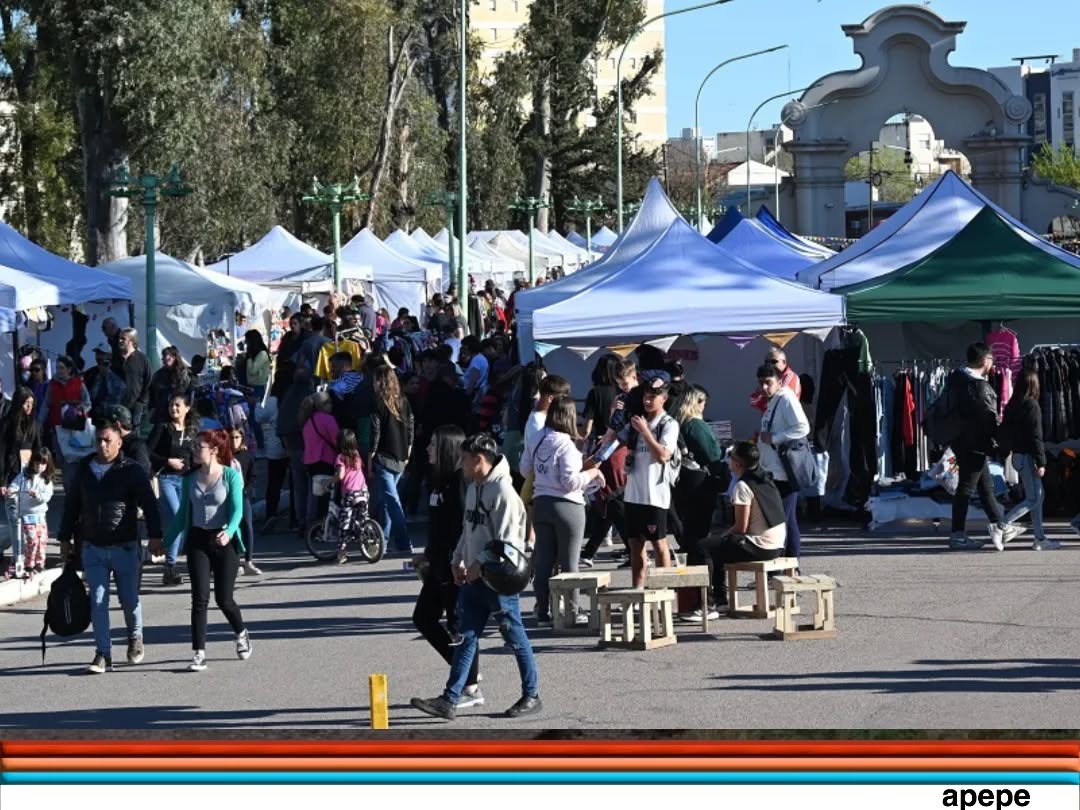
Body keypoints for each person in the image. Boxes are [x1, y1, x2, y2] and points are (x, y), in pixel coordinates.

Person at [410, 433, 541, 721]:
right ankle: (450, 699)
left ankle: (531, 694)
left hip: (501, 578)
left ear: (478, 460)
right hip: (475, 578)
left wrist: (479, 564)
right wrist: (458, 559)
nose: (462, 464)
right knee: (466, 636)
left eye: (465, 459)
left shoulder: (503, 493)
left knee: (514, 636)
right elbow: (468, 531)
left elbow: (506, 542)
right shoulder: (474, 487)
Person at [57, 421, 163, 674]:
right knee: (98, 600)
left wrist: (156, 536)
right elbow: (72, 504)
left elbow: (149, 504)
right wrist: (64, 539)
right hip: (92, 546)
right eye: (98, 440)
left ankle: (135, 637)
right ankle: (102, 653)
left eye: (107, 440)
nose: (102, 445)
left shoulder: (132, 470)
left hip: (124, 546)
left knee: (129, 600)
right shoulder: (85, 468)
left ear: (119, 443)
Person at [166, 429, 251, 672]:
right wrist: (165, 539)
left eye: (199, 447)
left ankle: (241, 633)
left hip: (224, 539)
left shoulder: (230, 476)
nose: (194, 451)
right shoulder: (189, 479)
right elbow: (182, 513)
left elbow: (237, 511)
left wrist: (231, 531)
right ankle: (199, 653)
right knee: (199, 598)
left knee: (224, 599)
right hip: (197, 539)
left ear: (213, 450)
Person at [411, 426, 484, 707]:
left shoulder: (460, 482)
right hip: (439, 563)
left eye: (433, 445)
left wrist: (461, 560)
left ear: (446, 449)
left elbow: (462, 527)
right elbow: (437, 526)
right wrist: (426, 554)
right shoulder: (439, 481)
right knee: (424, 617)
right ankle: (463, 671)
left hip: (456, 564)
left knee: (460, 623)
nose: (428, 450)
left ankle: (471, 687)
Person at [520, 395, 603, 626]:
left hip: (541, 503)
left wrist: (544, 476)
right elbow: (570, 482)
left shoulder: (537, 438)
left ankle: (542, 612)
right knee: (569, 563)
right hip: (568, 506)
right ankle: (572, 611)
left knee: (544, 560)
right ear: (569, 416)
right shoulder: (566, 443)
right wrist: (592, 473)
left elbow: (525, 469)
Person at [698, 441, 786, 605]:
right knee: (718, 544)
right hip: (778, 545)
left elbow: (740, 527)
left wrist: (722, 535)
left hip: (761, 547)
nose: (728, 460)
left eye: (730, 457)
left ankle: (712, 601)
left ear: (737, 464)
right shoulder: (764, 477)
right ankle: (719, 598)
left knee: (705, 546)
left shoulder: (742, 486)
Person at [673, 384, 726, 620]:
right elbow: (713, 456)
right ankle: (710, 600)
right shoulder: (696, 425)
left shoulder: (676, 424)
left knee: (692, 542)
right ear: (697, 402)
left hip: (683, 487)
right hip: (700, 487)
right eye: (703, 402)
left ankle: (701, 598)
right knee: (701, 544)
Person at [947, 343, 1007, 551]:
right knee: (966, 488)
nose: (992, 364)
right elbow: (988, 418)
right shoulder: (979, 385)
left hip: (961, 441)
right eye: (991, 359)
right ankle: (957, 535)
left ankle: (1001, 525)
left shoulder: (956, 379)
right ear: (984, 360)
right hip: (975, 444)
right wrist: (996, 440)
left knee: (986, 487)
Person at [621, 376, 679, 588]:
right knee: (635, 544)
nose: (647, 401)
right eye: (645, 396)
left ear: (663, 398)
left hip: (655, 495)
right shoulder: (636, 421)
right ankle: (637, 589)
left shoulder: (668, 424)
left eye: (652, 397)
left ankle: (663, 590)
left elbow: (663, 455)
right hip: (633, 492)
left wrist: (645, 432)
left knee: (659, 543)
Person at [756, 363, 810, 561]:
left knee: (780, 522)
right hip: (774, 470)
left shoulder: (786, 399)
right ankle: (790, 566)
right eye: (760, 383)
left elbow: (803, 428)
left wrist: (776, 437)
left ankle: (779, 568)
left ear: (779, 382)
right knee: (788, 520)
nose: (763, 388)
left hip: (784, 471)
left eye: (768, 383)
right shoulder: (774, 399)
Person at [999, 369, 1056, 550]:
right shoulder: (1031, 405)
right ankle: (1001, 525)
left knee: (1037, 497)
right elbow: (1035, 436)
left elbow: (1004, 432)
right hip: (1028, 456)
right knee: (1033, 498)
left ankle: (1039, 538)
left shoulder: (1012, 405)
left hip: (1017, 456)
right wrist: (1041, 462)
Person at [148, 394, 197, 586]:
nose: (174, 409)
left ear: (187, 408)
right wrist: (167, 461)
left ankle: (171, 566)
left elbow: (195, 457)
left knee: (181, 522)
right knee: (178, 516)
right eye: (171, 405)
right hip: (167, 478)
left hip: (187, 480)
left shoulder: (192, 430)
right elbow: (148, 451)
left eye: (178, 405)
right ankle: (168, 563)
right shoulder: (162, 428)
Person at [370, 364, 415, 555]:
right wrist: (409, 451)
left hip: (384, 456)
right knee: (390, 499)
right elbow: (411, 426)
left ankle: (404, 542)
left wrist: (370, 456)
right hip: (401, 456)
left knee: (392, 501)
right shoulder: (403, 401)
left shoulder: (378, 402)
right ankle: (385, 540)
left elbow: (375, 432)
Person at [4, 447, 55, 578]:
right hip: (26, 515)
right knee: (31, 539)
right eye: (37, 462)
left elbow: (47, 497)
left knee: (42, 540)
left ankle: (39, 564)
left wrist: (37, 495)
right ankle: (27, 564)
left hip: (40, 516)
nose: (39, 466)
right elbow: (14, 486)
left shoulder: (47, 480)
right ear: (32, 462)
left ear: (47, 464)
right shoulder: (24, 476)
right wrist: (10, 491)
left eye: (43, 463)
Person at [279, 368, 314, 537]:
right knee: (311, 485)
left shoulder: (288, 396)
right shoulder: (309, 396)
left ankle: (301, 520)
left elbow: (281, 423)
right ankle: (310, 521)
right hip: (307, 445)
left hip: (291, 445)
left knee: (299, 485)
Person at [258, 371, 292, 534]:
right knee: (294, 483)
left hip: (275, 446)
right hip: (293, 445)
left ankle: (271, 514)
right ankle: (294, 518)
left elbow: (260, 417)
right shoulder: (295, 397)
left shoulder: (273, 401)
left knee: (274, 484)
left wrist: (257, 404)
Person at [301, 391, 340, 531]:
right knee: (326, 498)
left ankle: (311, 526)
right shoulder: (328, 419)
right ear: (323, 405)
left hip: (311, 461)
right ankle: (323, 526)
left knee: (315, 495)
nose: (332, 405)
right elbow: (337, 440)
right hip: (326, 460)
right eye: (329, 402)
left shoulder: (307, 420)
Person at [333, 429, 370, 564]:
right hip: (363, 491)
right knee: (363, 518)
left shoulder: (340, 457)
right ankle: (370, 540)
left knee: (344, 524)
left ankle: (342, 552)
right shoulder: (357, 455)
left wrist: (331, 480)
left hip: (349, 494)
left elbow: (341, 475)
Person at [229, 427, 261, 575]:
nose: (234, 441)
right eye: (231, 438)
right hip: (227, 497)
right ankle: (233, 562)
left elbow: (252, 476)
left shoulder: (246, 456)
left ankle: (248, 560)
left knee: (247, 526)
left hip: (242, 495)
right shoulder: (224, 456)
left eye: (237, 437)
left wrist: (246, 490)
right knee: (232, 528)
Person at [116, 329, 152, 433]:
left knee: (134, 435)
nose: (120, 341)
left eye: (123, 339)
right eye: (119, 338)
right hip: (119, 405)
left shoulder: (142, 359)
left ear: (132, 341)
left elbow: (148, 381)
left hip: (136, 406)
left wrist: (141, 402)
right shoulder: (116, 359)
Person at [582, 354, 621, 450]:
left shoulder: (594, 392)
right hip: (619, 443)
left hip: (599, 442)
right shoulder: (621, 391)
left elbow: (587, 428)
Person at [148, 347, 194, 426]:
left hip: (179, 411)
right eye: (164, 358)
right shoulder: (159, 375)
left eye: (168, 357)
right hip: (162, 412)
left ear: (174, 357)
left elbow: (188, 393)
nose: (165, 360)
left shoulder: (184, 374)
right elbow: (153, 391)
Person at [750, 347, 802, 414]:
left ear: (784, 362)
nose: (770, 364)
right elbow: (754, 401)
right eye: (767, 362)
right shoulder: (769, 378)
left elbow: (777, 401)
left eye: (773, 361)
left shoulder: (790, 377)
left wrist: (763, 399)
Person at [243, 331, 271, 450]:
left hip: (258, 387)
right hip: (251, 387)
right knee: (250, 417)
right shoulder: (255, 355)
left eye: (247, 341)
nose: (245, 343)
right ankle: (254, 443)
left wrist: (248, 358)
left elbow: (253, 370)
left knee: (255, 418)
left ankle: (260, 444)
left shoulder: (262, 354)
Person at [84, 345, 128, 417]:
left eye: (102, 353)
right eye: (97, 353)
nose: (99, 356)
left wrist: (107, 374)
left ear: (109, 356)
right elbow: (88, 395)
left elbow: (120, 393)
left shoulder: (119, 371)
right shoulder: (91, 373)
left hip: (112, 415)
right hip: (93, 415)